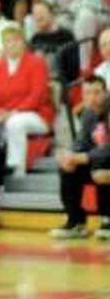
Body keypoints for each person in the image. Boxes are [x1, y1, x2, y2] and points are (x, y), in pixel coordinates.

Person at [0, 21, 54, 176]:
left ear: (24, 43)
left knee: (15, 123)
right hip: (4, 115)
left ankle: (16, 171)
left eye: (16, 40)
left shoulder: (36, 63)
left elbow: (37, 95)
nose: (12, 44)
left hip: (37, 114)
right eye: (8, 41)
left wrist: (12, 113)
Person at [50, 77, 110, 240]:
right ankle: (76, 222)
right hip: (98, 160)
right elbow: (81, 142)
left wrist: (85, 157)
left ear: (106, 93)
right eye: (88, 93)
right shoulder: (87, 114)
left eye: (97, 92)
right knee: (68, 168)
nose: (92, 97)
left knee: (102, 171)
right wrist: (69, 155)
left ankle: (107, 220)